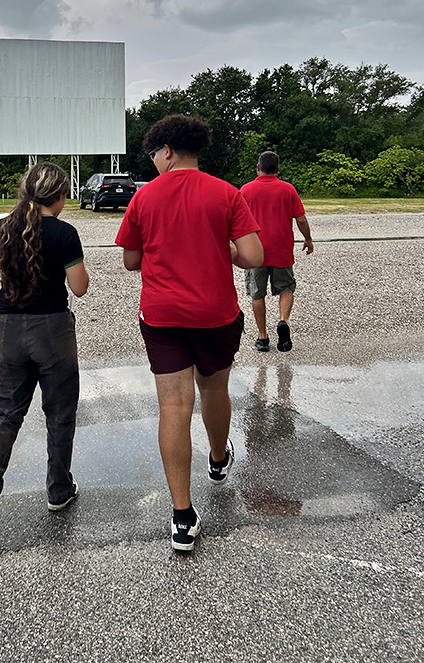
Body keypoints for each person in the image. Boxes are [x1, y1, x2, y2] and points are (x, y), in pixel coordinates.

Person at [115, 114, 263, 552]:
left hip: (162, 316)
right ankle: (218, 460)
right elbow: (253, 255)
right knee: (214, 389)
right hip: (215, 313)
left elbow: (130, 260)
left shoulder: (144, 198)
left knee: (173, 406)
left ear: (165, 151)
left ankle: (182, 516)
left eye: (153, 155)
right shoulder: (226, 192)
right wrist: (228, 248)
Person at [0, 162, 89, 542]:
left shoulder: (4, 228)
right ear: (60, 196)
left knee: (5, 410)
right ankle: (58, 489)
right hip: (51, 329)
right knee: (59, 411)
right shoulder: (65, 233)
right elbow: (80, 287)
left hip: (7, 330)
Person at [239, 151, 313, 353]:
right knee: (286, 288)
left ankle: (262, 338)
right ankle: (283, 321)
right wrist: (307, 238)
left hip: (255, 251)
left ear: (258, 167)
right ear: (278, 169)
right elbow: (301, 219)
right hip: (281, 250)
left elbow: (237, 222)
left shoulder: (245, 190)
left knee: (257, 293)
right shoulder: (287, 189)